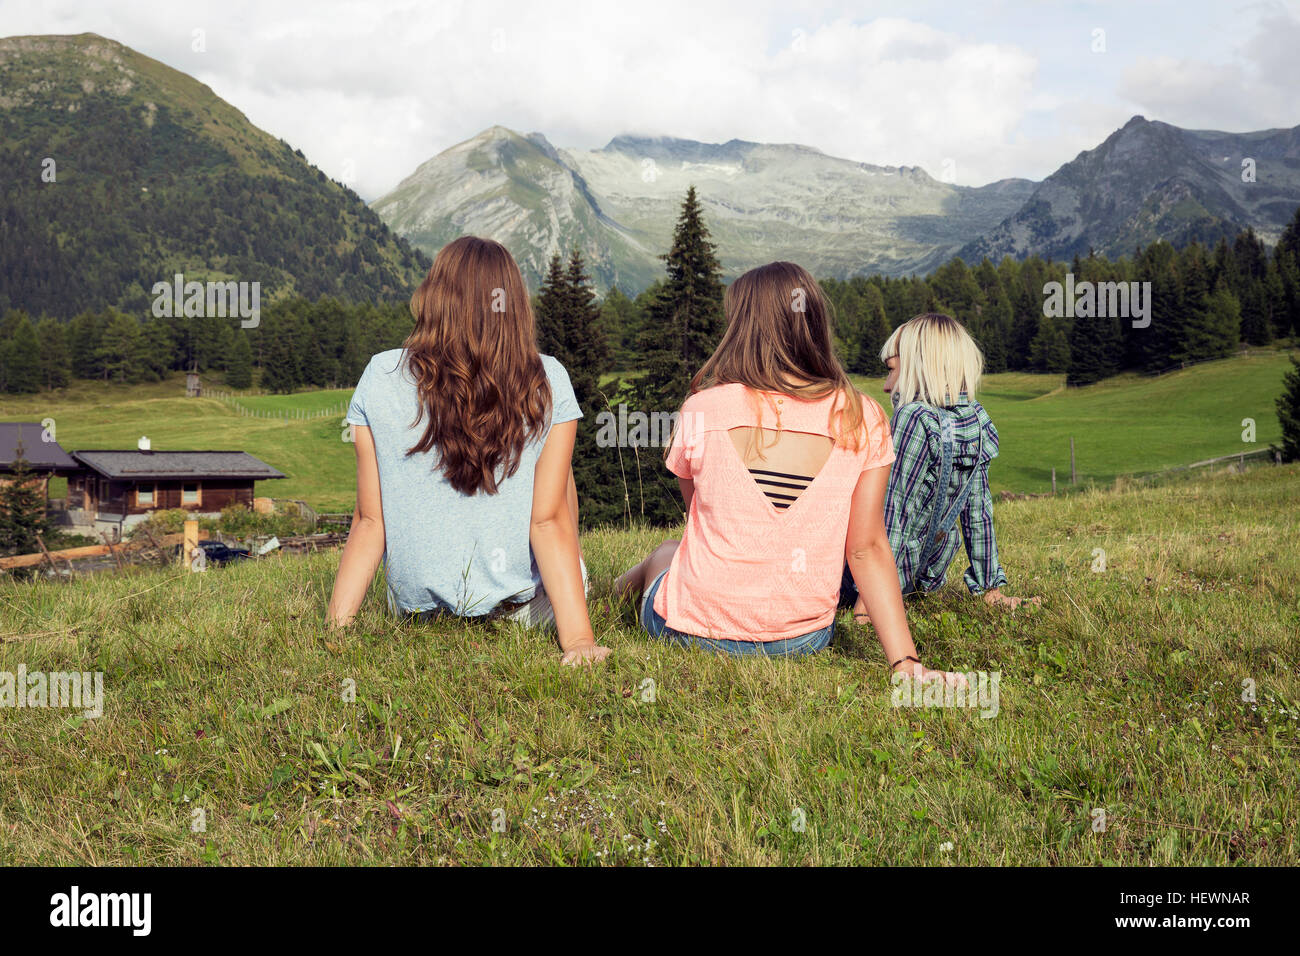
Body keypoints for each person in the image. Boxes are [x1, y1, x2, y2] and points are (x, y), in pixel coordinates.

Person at [616, 262, 963, 682]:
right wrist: (906, 663)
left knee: (670, 551)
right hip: (800, 638)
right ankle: (617, 589)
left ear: (742, 328)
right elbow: (867, 547)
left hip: (690, 630)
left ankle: (613, 593)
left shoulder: (701, 409)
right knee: (674, 550)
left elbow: (699, 520)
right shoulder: (863, 415)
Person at [326, 236, 610, 666]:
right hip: (521, 616)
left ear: (435, 296)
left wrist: (337, 631)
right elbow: (547, 521)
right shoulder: (546, 378)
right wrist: (579, 642)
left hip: (415, 615)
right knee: (557, 474)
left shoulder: (379, 374)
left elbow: (370, 521)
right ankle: (574, 588)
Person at [842, 312, 1039, 614]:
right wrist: (990, 588)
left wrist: (869, 603)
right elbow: (978, 512)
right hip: (920, 575)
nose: (886, 385)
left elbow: (894, 515)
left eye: (892, 370)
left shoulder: (912, 419)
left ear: (919, 368)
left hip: (867, 579)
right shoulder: (976, 419)